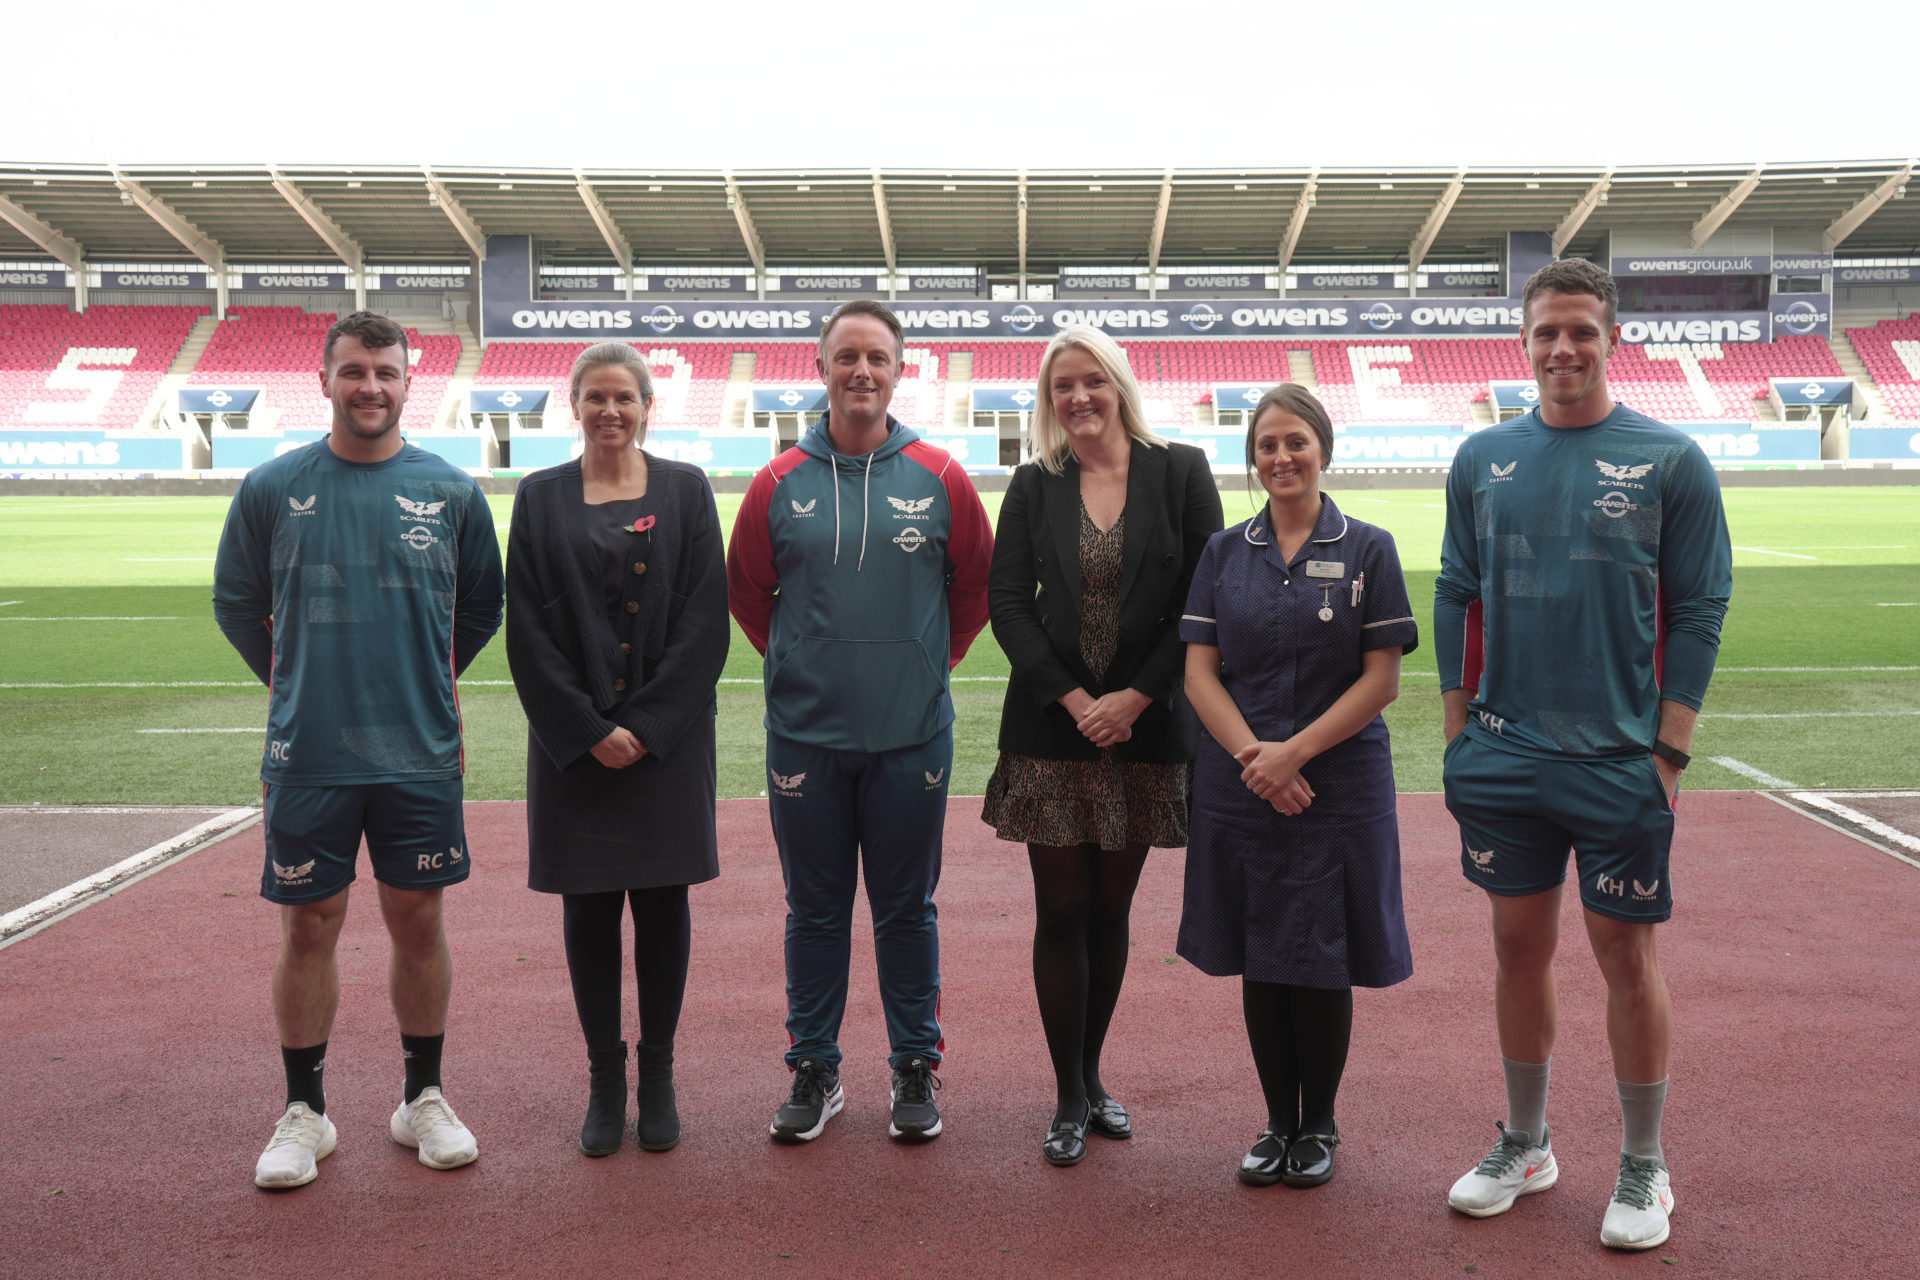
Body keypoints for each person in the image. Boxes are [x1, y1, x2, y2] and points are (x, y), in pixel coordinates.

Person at [1435, 258, 1731, 1250]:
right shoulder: (1483, 457)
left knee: (1626, 957)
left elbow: (1699, 608)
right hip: (1505, 754)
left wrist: (1669, 752)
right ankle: (1526, 1142)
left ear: (1612, 339)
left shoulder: (1670, 459)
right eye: (1546, 332)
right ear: (1524, 342)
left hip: (1617, 759)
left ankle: (1645, 1161)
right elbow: (1457, 593)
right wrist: (1457, 731)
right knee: (1517, 949)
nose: (1563, 348)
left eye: (1581, 331)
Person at [213, 310, 504, 1189]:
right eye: (354, 371)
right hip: (310, 752)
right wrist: (297, 681)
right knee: (309, 926)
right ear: (325, 380)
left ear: (409, 383)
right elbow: (237, 603)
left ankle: (423, 1098)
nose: (369, 386)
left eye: (385, 372)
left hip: (419, 749)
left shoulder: (452, 491)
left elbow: (481, 609)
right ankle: (305, 1111)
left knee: (419, 921)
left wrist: (419, 678)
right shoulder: (272, 487)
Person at [727, 299, 993, 1144]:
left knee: (907, 908)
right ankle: (815, 1066)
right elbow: (748, 594)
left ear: (899, 370)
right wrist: (804, 664)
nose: (861, 371)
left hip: (911, 736)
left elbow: (974, 591)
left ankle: (914, 1064)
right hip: (806, 738)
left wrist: (924, 664)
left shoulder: (942, 478)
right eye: (846, 356)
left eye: (877, 357)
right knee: (814, 910)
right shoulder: (776, 484)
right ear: (821, 368)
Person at [981, 326, 1222, 1166]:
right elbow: (1008, 602)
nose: (1078, 397)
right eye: (1062, 386)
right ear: (1049, 401)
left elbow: (1203, 597)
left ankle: (1091, 1075)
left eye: (1092, 380)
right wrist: (1078, 700)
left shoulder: (1181, 470)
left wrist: (1136, 696)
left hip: (1145, 729)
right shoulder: (1033, 482)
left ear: (1118, 384)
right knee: (1061, 912)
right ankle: (1067, 1095)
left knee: (1111, 913)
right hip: (1053, 730)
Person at [1178, 384, 1417, 1190]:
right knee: (1263, 951)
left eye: (1296, 442)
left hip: (1337, 783)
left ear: (1323, 450)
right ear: (1253, 457)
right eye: (1267, 445)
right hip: (1241, 781)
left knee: (1322, 950)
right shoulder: (1223, 553)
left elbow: (1382, 680)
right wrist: (1259, 760)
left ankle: (1320, 1124)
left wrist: (1295, 755)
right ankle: (1278, 1120)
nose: (1281, 458)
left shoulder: (1370, 549)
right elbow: (1199, 674)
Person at [505, 342, 729, 1156]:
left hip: (668, 748)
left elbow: (706, 622)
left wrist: (650, 726)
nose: (610, 411)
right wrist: (588, 730)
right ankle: (605, 1080)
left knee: (664, 907)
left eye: (624, 398)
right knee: (589, 912)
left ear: (645, 407)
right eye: (595, 397)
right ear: (574, 406)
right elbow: (527, 631)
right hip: (574, 751)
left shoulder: (687, 489)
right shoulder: (539, 497)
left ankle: (657, 1076)